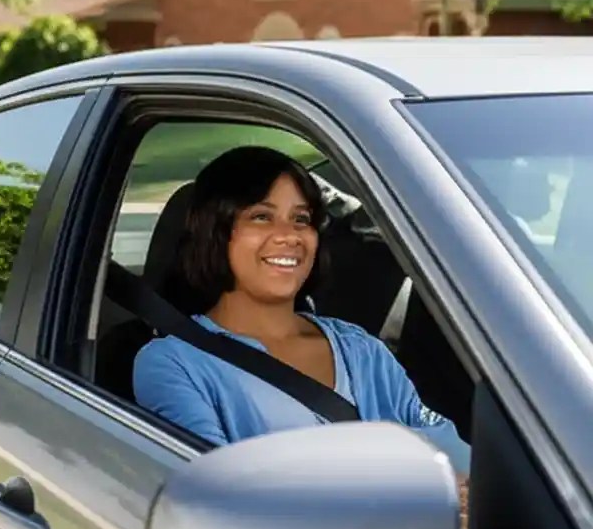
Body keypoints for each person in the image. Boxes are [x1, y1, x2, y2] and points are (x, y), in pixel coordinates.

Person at [132, 145, 471, 476]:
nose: (289, 235)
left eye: (301, 219)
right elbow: (224, 499)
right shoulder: (172, 364)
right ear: (216, 234)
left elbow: (446, 452)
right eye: (261, 217)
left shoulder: (359, 348)